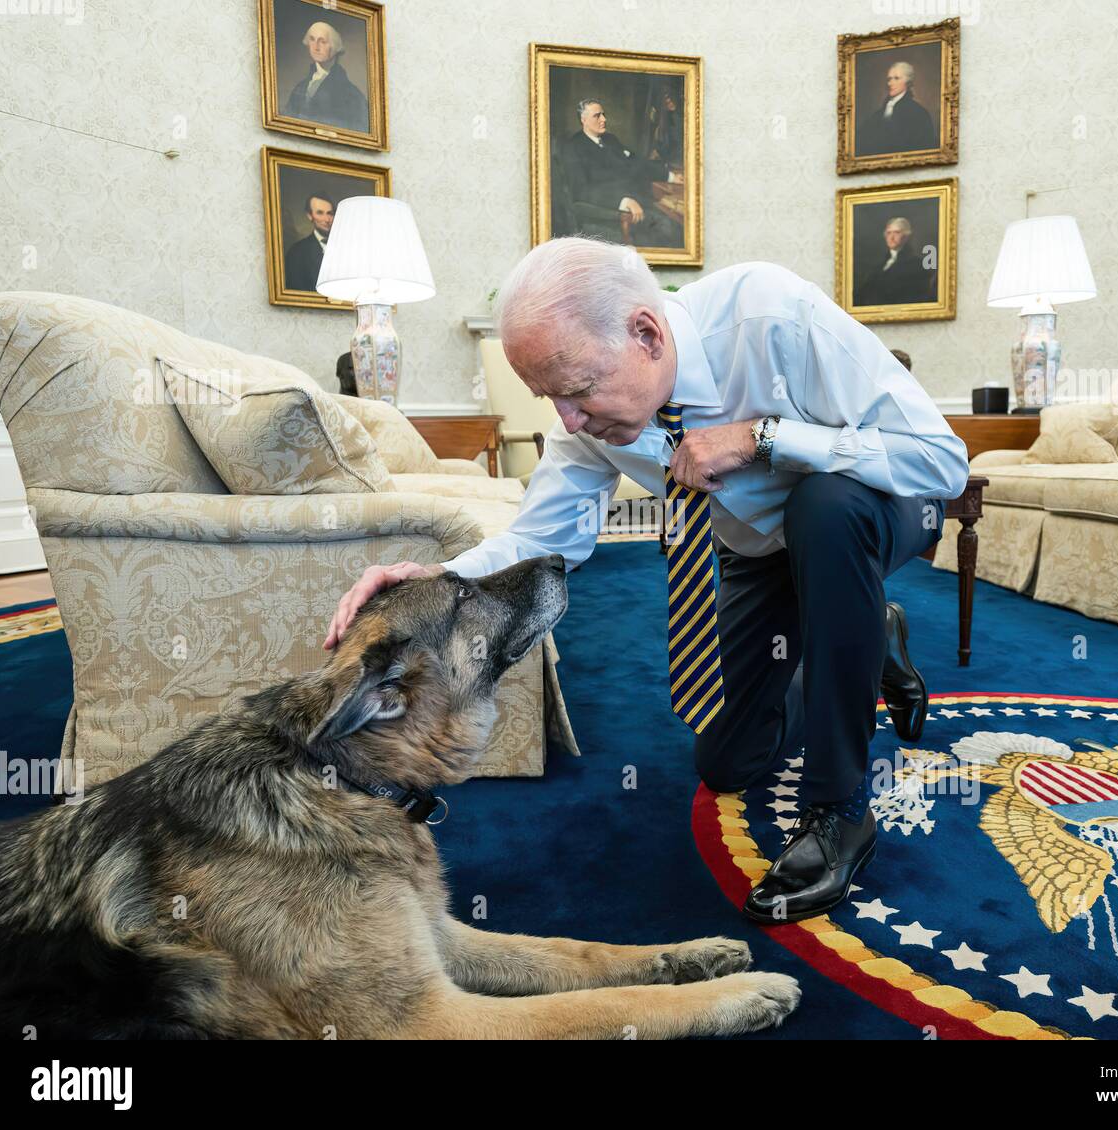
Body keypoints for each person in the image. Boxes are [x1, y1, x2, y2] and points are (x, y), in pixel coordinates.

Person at [324, 238, 968, 923]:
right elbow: (545, 539)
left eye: (575, 391)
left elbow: (941, 463)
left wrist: (766, 436)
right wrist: (437, 577)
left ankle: (839, 812)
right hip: (759, 552)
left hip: (875, 510)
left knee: (825, 508)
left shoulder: (774, 318)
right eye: (550, 399)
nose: (566, 421)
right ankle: (874, 640)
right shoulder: (588, 419)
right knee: (726, 762)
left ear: (646, 334)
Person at [560, 99, 683, 248]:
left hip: (638, 203)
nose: (604, 119)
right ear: (583, 120)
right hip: (612, 215)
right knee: (671, 228)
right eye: (597, 116)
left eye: (603, 115)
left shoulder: (610, 140)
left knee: (676, 223)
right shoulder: (573, 148)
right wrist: (624, 201)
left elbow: (637, 163)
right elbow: (582, 191)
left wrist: (670, 176)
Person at [285, 20, 369, 134]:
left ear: (335, 47)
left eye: (322, 41)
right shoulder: (300, 88)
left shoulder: (352, 94)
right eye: (312, 40)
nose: (316, 47)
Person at [856, 61, 937, 156]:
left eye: (896, 78)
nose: (890, 83)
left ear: (908, 82)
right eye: (889, 79)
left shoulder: (918, 113)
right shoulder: (878, 114)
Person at [856, 216, 934, 306]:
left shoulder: (917, 265)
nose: (891, 237)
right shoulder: (878, 267)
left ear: (906, 236)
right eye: (888, 233)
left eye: (897, 232)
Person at [284, 193, 334, 292]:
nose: (327, 219)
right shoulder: (297, 252)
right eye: (320, 213)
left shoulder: (346, 249)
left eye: (330, 213)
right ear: (310, 216)